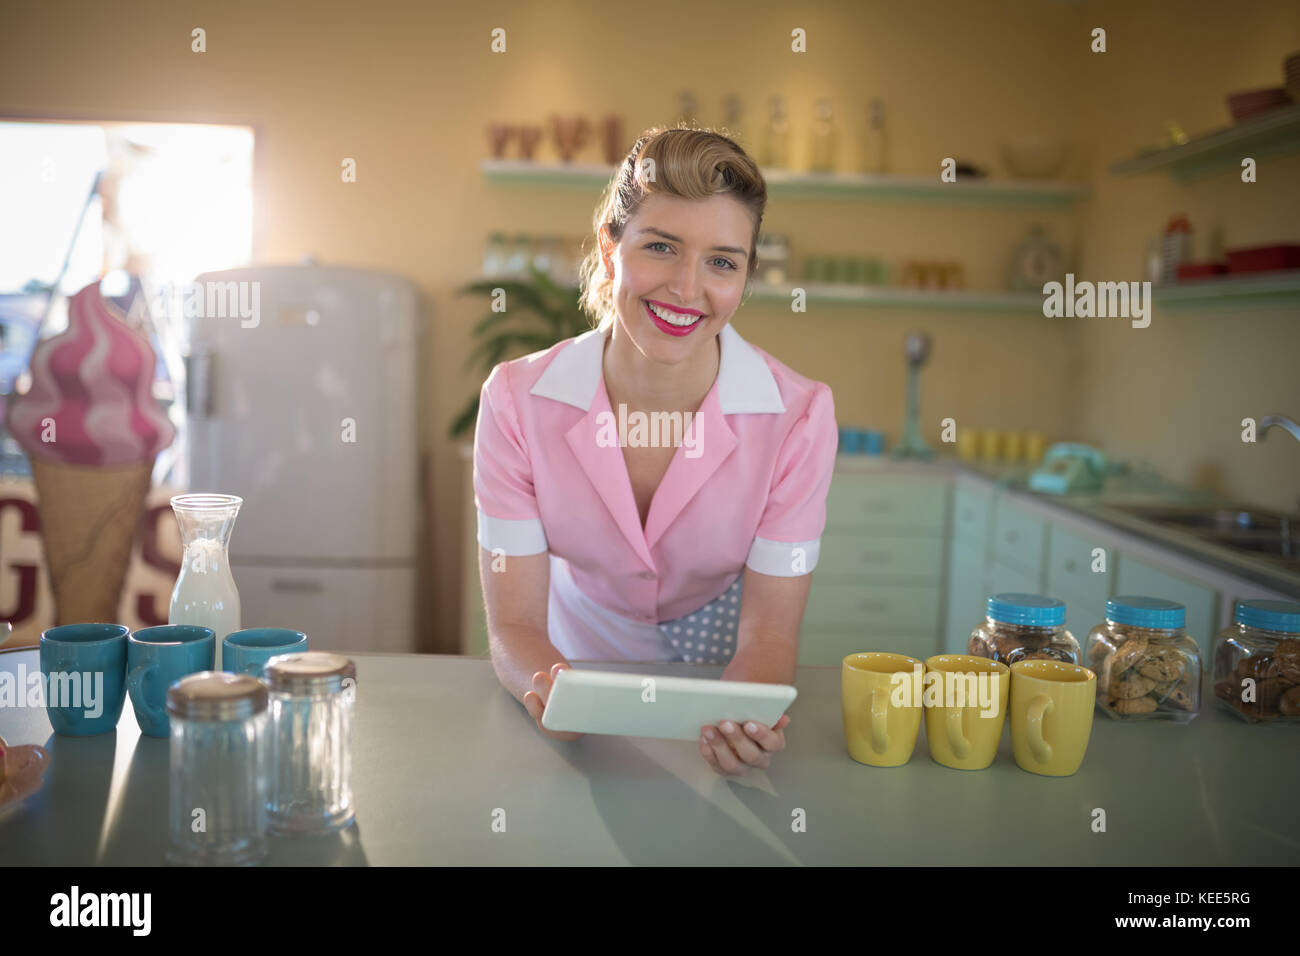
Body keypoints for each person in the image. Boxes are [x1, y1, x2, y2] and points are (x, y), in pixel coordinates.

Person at [474, 126, 837, 775]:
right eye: (661, 247)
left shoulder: (799, 417)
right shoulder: (515, 401)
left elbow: (770, 632)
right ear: (610, 250)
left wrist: (741, 715)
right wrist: (558, 696)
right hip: (571, 665)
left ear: (745, 277)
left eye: (722, 262)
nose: (686, 288)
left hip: (724, 674)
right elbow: (515, 626)